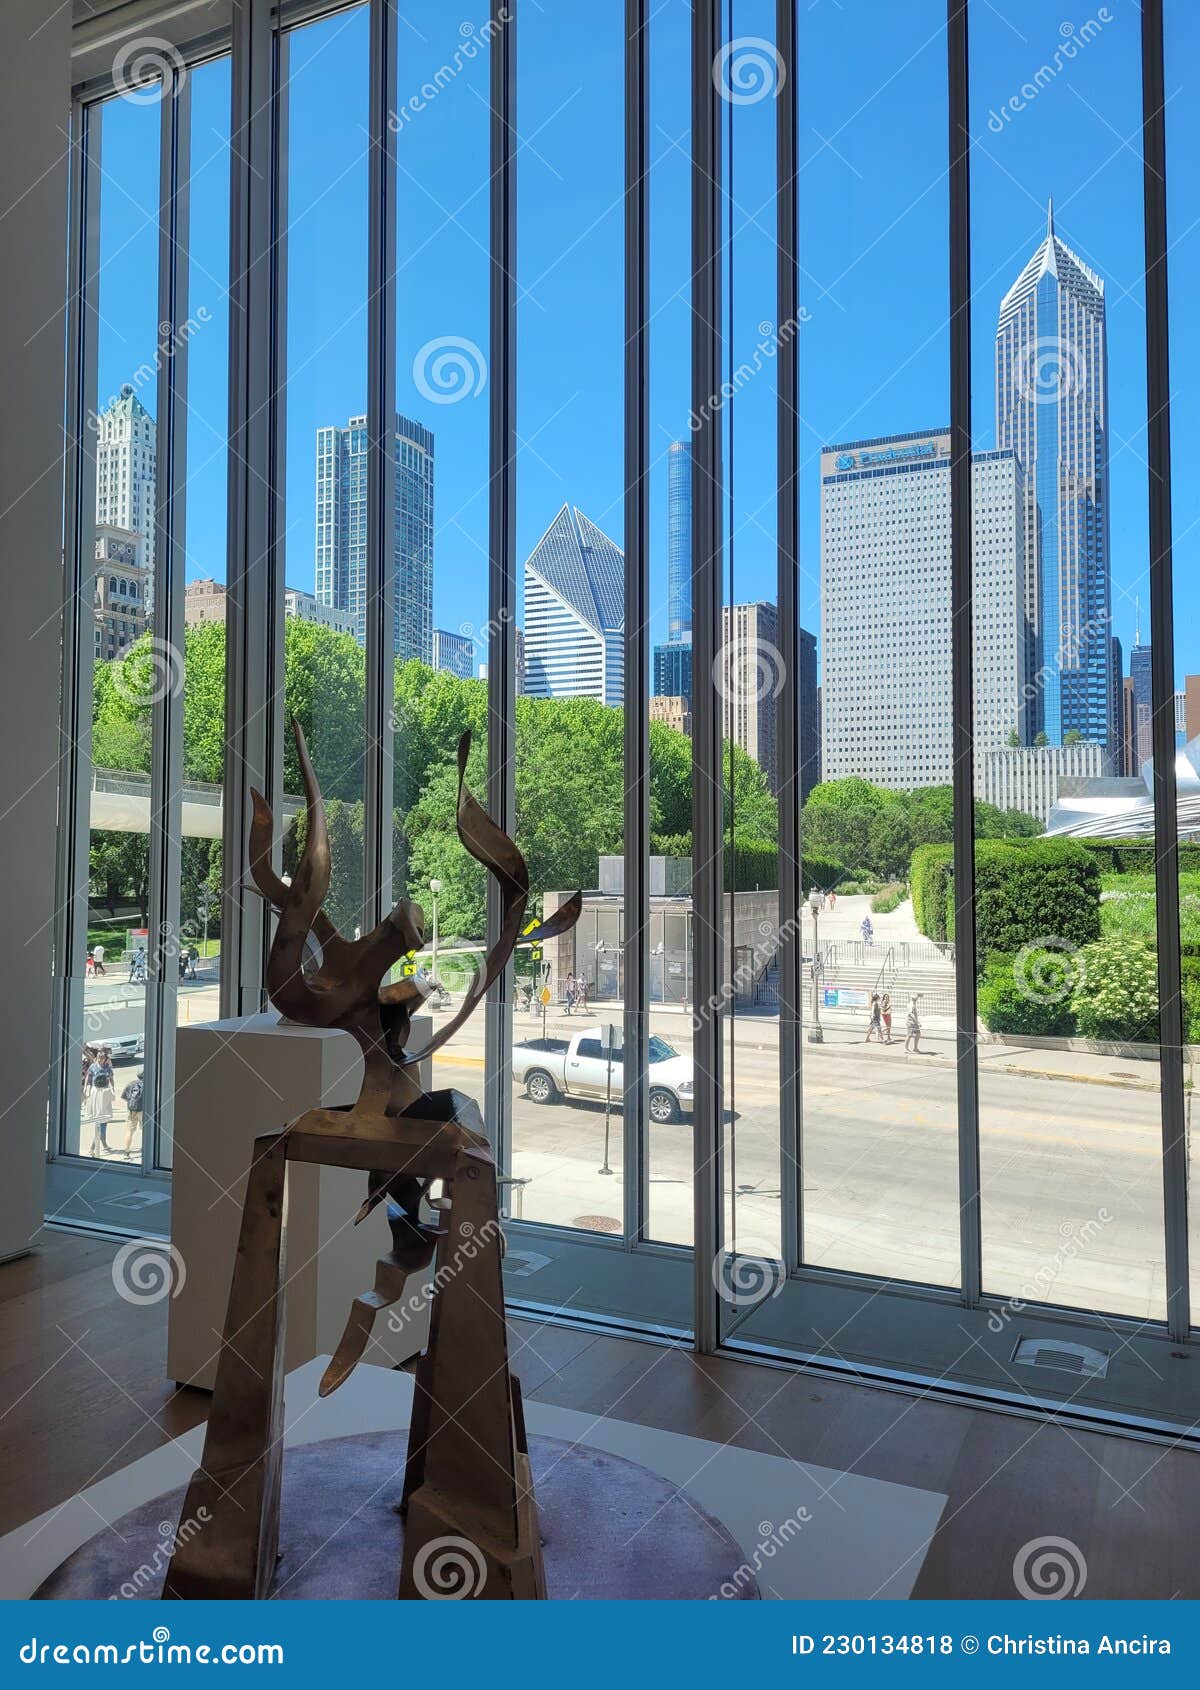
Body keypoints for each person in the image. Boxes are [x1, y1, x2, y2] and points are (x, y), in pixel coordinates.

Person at [84, 1046, 115, 1157]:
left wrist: (113, 1088)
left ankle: (104, 1143)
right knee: (100, 1121)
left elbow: (111, 1078)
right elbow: (88, 1076)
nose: (101, 1059)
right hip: (96, 1093)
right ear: (97, 1058)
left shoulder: (108, 1067)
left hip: (105, 1093)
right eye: (99, 1057)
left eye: (102, 1058)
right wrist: (85, 1088)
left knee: (104, 1121)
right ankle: (92, 1148)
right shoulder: (93, 1066)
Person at [121, 1070, 144, 1158]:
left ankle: (126, 1152)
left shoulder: (131, 1084)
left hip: (132, 1110)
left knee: (129, 1131)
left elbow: (124, 1097)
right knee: (145, 1130)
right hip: (143, 1110)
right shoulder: (148, 1083)